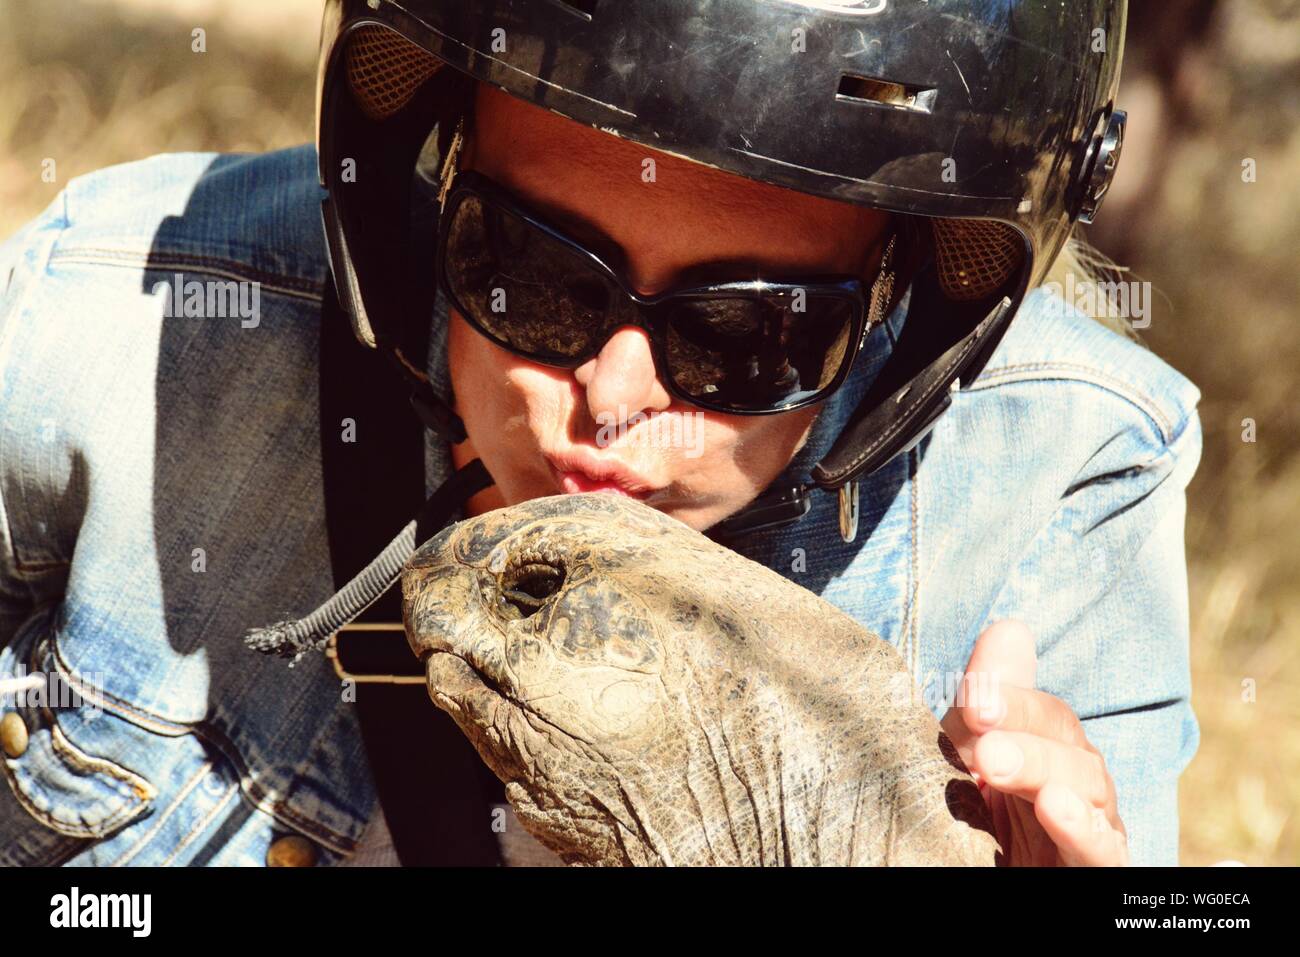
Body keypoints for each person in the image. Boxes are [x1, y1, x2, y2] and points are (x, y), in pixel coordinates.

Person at [0, 0, 1200, 867]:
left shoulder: (1068, 476)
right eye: (532, 276)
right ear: (433, 166)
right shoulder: (108, 316)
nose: (611, 396)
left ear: (906, 297)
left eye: (746, 336)